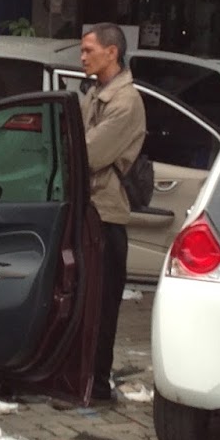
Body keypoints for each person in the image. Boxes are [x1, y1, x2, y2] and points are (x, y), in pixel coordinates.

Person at [78, 24, 147, 402]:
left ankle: (97, 384)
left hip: (107, 216)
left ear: (112, 53)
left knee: (102, 306)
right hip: (89, 212)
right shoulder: (96, 94)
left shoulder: (125, 102)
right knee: (85, 302)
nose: (83, 56)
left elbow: (88, 154)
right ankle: (81, 380)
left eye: (89, 50)